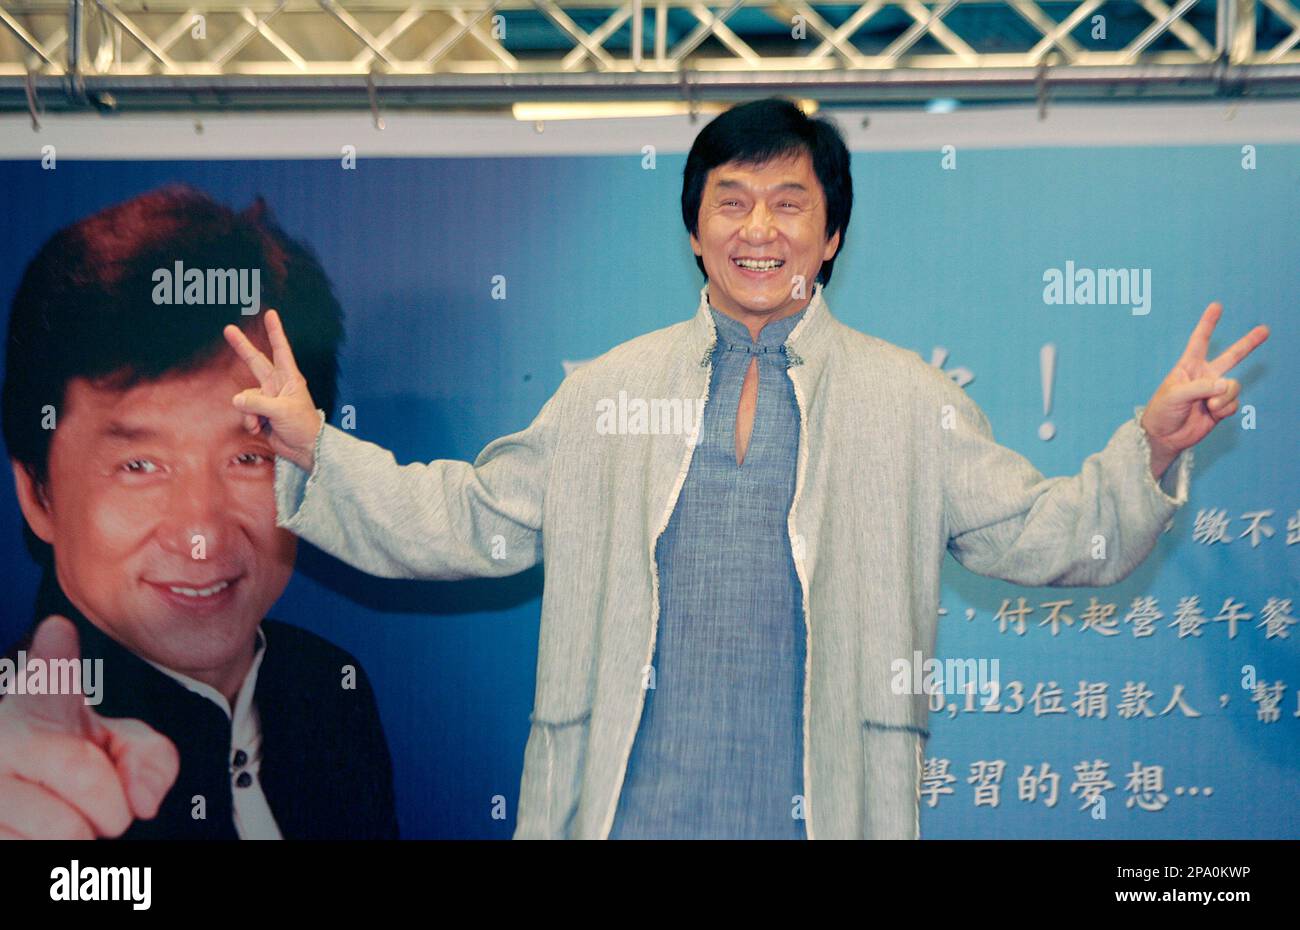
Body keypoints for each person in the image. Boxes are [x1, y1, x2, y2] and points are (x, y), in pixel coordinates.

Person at [225, 98, 1269, 839]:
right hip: (622, 814)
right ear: (693, 230)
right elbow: (474, 520)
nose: (757, 229)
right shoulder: (605, 391)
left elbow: (1043, 535)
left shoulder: (907, 400)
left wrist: (1153, 444)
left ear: (831, 234)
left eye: (787, 203)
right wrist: (317, 447)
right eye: (730, 202)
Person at [0, 185, 399, 839]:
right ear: (37, 493)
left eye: (250, 457)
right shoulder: (19, 756)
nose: (201, 535)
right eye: (140, 466)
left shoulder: (332, 692)